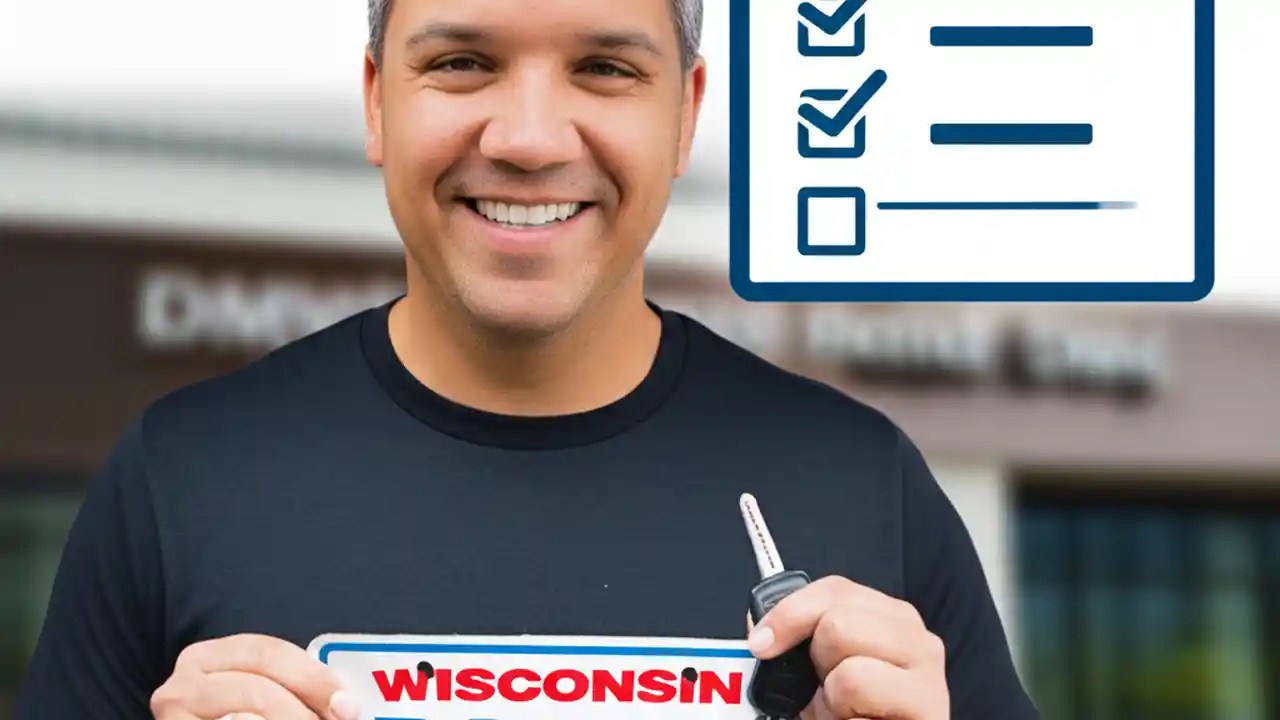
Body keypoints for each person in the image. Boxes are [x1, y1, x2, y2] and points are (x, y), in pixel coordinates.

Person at [16, 0, 1041, 718]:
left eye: (603, 68)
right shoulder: (186, 472)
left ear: (684, 113)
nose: (527, 137)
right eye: (462, 62)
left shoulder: (861, 479)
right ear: (377, 100)